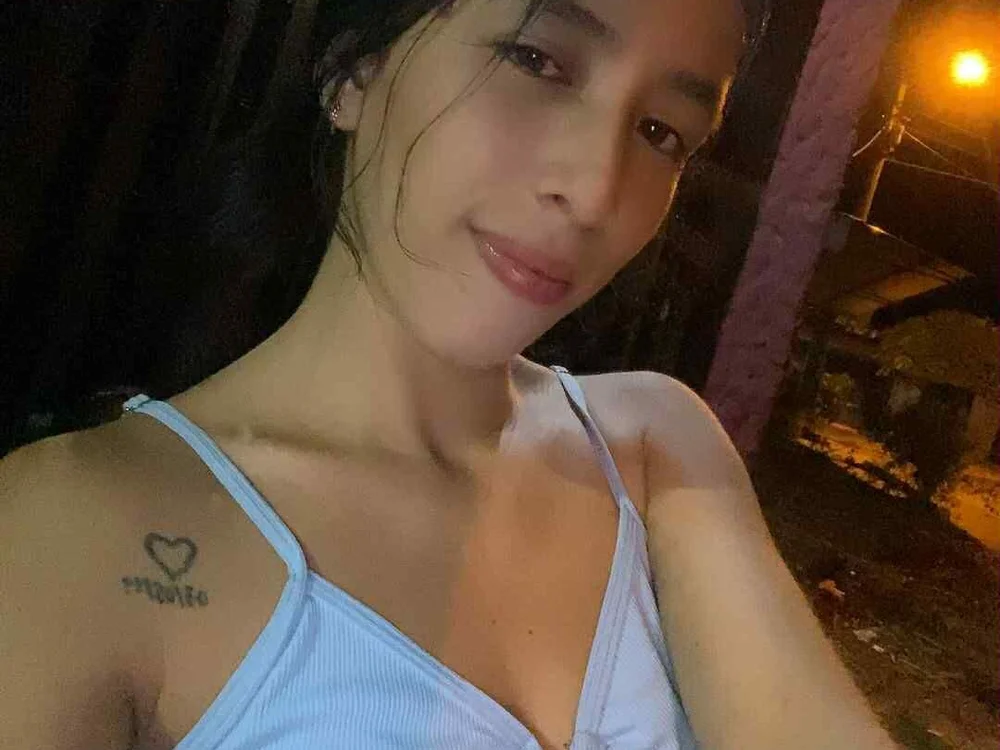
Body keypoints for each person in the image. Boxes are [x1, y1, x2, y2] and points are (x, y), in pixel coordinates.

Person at [0, 0, 898, 748]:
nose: (595, 191)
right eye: (536, 61)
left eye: (661, 132)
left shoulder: (657, 451)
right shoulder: (70, 535)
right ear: (355, 70)